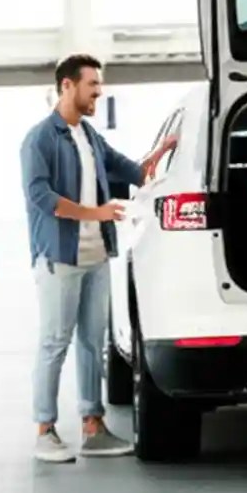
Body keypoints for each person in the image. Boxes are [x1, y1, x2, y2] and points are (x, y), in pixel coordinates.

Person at [20, 54, 176, 464]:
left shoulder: (88, 135)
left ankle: (93, 427)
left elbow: (128, 170)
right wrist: (97, 213)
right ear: (67, 85)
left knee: (92, 343)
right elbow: (41, 198)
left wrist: (158, 158)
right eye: (92, 85)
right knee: (55, 343)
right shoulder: (40, 139)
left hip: (96, 255)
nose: (99, 92)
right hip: (60, 258)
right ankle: (45, 430)